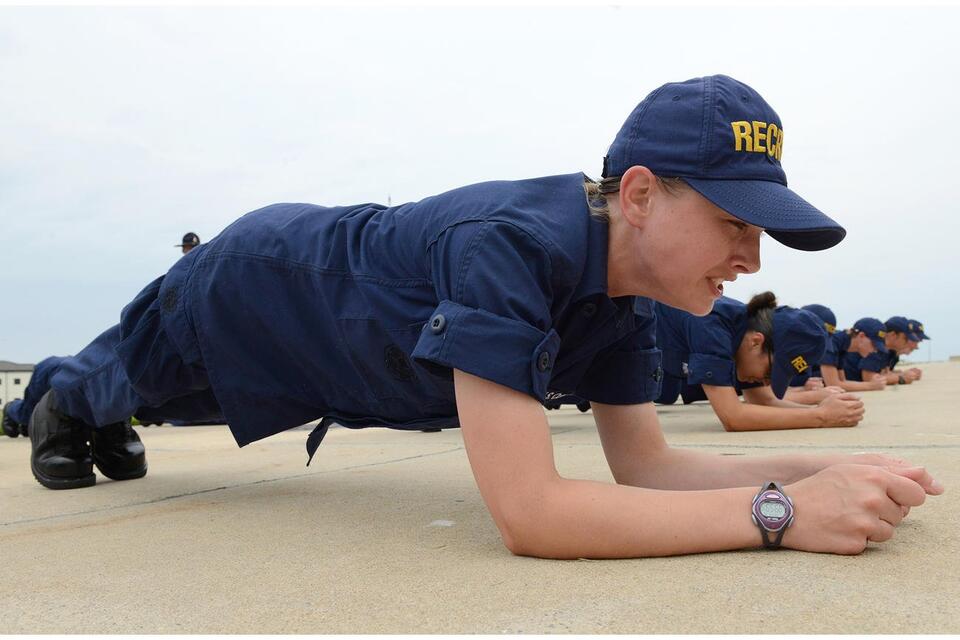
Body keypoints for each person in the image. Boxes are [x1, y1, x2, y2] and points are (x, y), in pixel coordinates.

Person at [26, 75, 941, 558]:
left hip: (337, 368)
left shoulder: (628, 301)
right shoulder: (512, 246)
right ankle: (48, 403)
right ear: (637, 195)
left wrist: (831, 464)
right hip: (257, 290)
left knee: (159, 412)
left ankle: (75, 410)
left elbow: (650, 468)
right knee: (115, 386)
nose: (752, 258)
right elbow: (533, 517)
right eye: (734, 221)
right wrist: (783, 514)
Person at [654, 293, 863, 431]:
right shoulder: (711, 322)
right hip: (626, 347)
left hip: (663, 361)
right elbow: (733, 418)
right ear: (756, 342)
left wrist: (825, 410)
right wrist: (821, 416)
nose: (766, 382)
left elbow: (764, 401)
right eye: (770, 373)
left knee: (666, 397)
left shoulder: (746, 338)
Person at [802, 307, 888, 393]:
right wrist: (871, 385)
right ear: (861, 336)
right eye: (874, 345)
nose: (875, 350)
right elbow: (832, 384)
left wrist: (871, 384)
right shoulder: (833, 341)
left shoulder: (843, 344)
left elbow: (842, 381)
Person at [852, 316, 921, 386]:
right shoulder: (875, 348)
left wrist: (903, 374)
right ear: (893, 335)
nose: (907, 342)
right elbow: (869, 378)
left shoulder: (888, 351)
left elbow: (884, 373)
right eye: (905, 338)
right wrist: (901, 378)